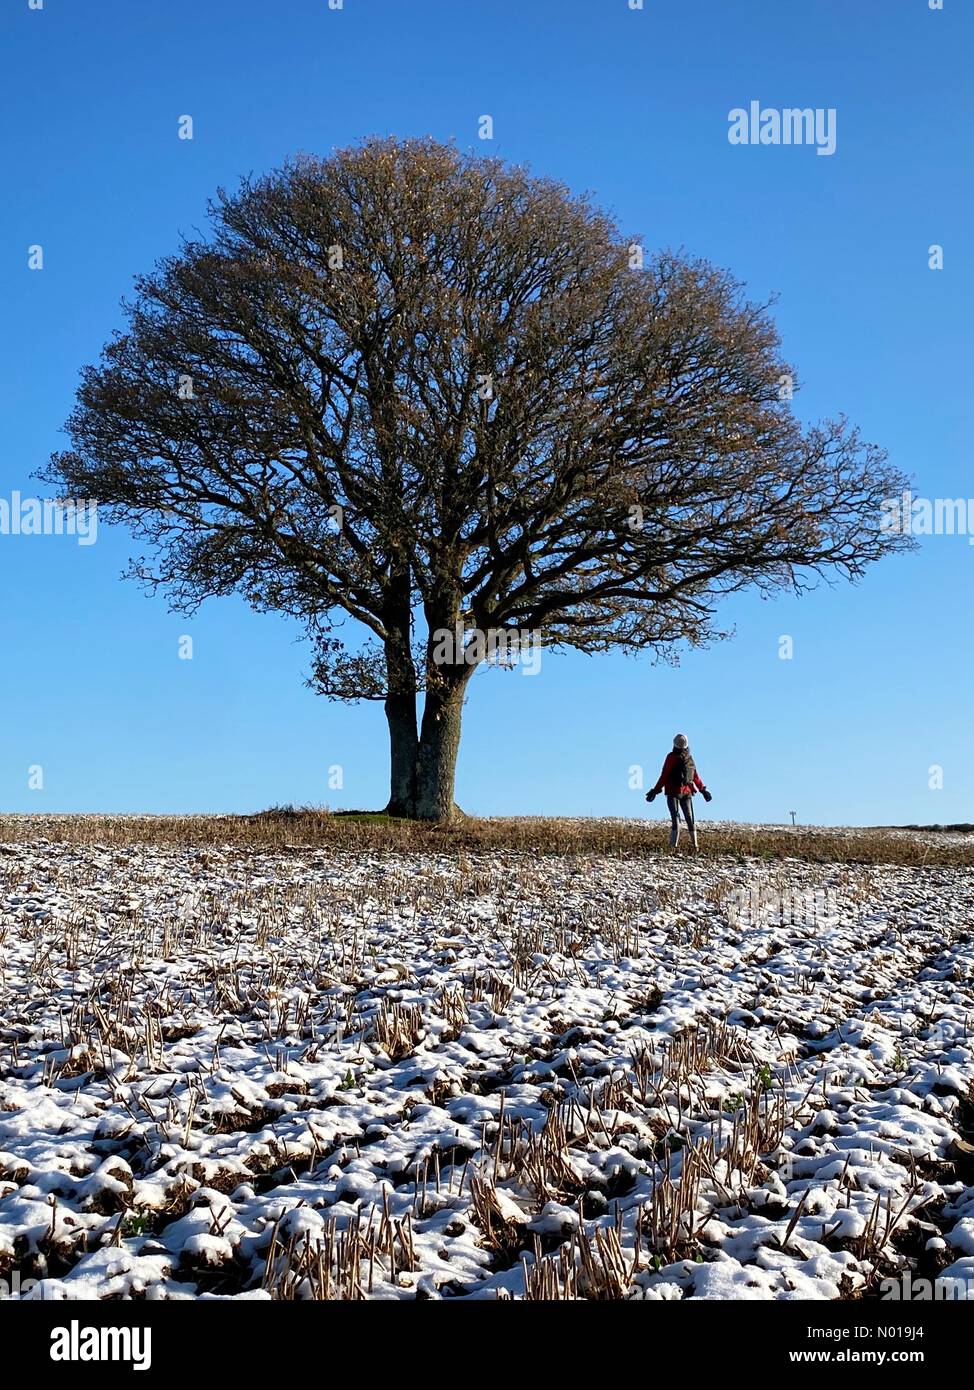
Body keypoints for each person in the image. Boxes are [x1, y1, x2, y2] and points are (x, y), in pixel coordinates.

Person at [645, 733, 712, 850]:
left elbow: (664, 775)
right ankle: (695, 845)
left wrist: (654, 791)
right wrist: (703, 790)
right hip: (687, 792)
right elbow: (695, 776)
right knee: (690, 819)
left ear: (674, 744)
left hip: (672, 792)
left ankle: (673, 846)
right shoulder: (689, 758)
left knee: (676, 819)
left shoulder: (670, 757)